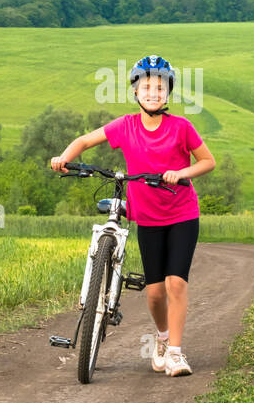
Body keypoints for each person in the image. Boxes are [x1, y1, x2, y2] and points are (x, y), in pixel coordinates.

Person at [49, 54, 215, 376]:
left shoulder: (181, 127)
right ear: (136, 92)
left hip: (182, 213)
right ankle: (163, 338)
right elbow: (85, 141)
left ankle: (177, 354)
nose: (154, 93)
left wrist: (181, 172)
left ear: (168, 93)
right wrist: (64, 158)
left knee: (175, 284)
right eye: (147, 87)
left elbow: (207, 161)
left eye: (160, 88)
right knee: (154, 294)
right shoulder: (125, 126)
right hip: (149, 218)